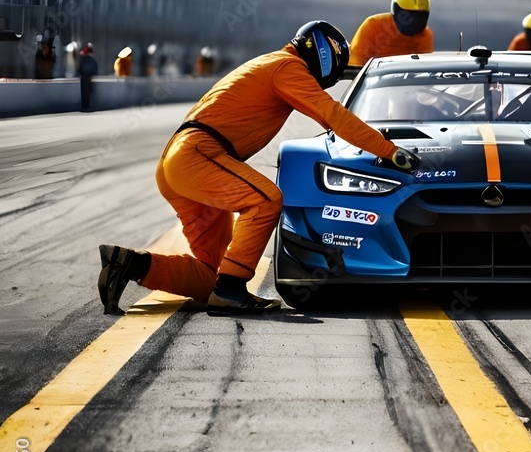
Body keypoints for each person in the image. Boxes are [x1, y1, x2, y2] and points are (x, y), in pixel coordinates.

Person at [97, 21, 421, 316]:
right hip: (201, 153)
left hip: (181, 159)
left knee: (212, 275)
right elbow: (332, 116)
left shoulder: (269, 62)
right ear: (325, 54)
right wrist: (389, 151)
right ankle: (233, 291)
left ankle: (131, 264)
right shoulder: (288, 68)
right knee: (265, 200)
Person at [348, 0, 434, 66]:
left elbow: (422, 68)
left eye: (419, 15)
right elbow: (356, 63)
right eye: (406, 15)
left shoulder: (425, 36)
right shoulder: (373, 26)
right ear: (396, 11)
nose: (413, 21)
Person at [78, 42, 99, 111]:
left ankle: (85, 105)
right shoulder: (90, 59)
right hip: (87, 77)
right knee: (87, 92)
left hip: (85, 77)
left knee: (86, 92)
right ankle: (86, 105)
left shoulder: (85, 58)